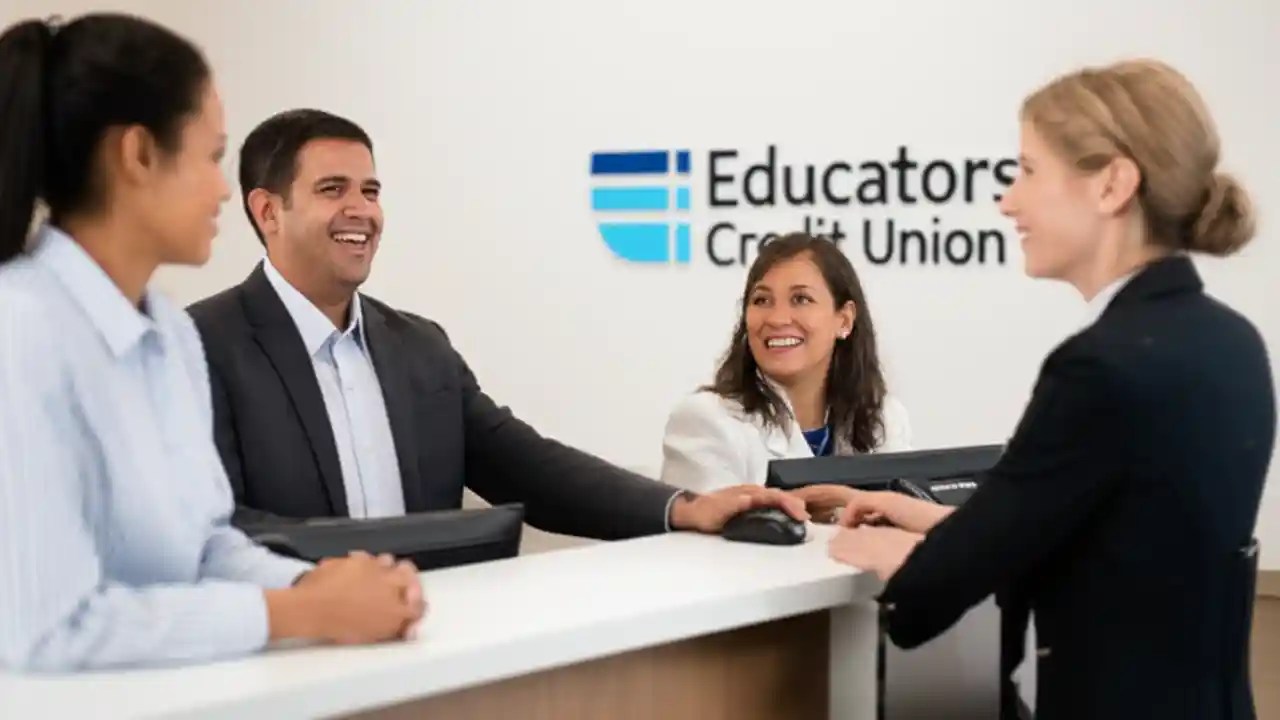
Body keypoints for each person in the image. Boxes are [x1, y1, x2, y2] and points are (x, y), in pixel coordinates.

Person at [828, 59, 1275, 720]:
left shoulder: (1101, 366)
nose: (1008, 200)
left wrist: (897, 556)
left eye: (1029, 171)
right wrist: (946, 525)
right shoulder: (1233, 343)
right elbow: (1134, 543)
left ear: (1113, 184)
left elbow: (929, 599)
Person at [0, 15, 426, 673]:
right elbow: (48, 630)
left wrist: (323, 585)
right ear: (137, 155)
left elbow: (204, 546)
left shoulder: (169, 335)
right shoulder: (21, 330)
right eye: (209, 156)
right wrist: (301, 612)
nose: (225, 188)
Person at [186, 108, 805, 540]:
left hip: (432, 660)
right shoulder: (200, 346)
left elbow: (529, 467)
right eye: (333, 189)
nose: (362, 211)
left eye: (371, 191)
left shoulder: (419, 347)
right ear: (268, 211)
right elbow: (214, 526)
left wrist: (684, 507)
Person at [659, 232, 910, 507]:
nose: (777, 319)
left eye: (801, 299)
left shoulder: (884, 417)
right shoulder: (704, 420)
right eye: (761, 301)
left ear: (844, 320)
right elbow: (704, 544)